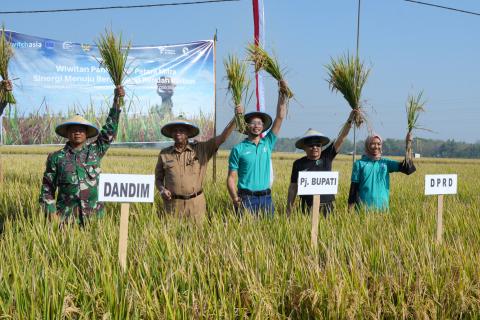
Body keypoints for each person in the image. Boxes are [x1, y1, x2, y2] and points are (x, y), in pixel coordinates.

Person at [39, 86, 125, 226]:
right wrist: (51, 213)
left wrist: (116, 101)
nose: (77, 132)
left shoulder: (95, 150)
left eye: (81, 129)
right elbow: (47, 189)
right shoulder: (56, 158)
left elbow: (109, 129)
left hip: (94, 219)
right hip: (66, 220)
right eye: (73, 130)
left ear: (86, 134)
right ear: (67, 134)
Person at [155, 105, 243, 221]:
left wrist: (236, 118)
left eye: (181, 130)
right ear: (171, 134)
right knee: (172, 237)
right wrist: (162, 190)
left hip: (196, 205)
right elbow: (158, 179)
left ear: (188, 134)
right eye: (175, 131)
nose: (178, 133)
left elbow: (222, 138)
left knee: (197, 237)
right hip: (173, 205)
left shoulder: (201, 149)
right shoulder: (164, 154)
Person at [226, 80, 288, 217]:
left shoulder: (267, 143)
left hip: (266, 198)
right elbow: (230, 178)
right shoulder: (238, 149)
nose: (256, 125)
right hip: (247, 199)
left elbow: (280, 116)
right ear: (246, 126)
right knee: (246, 235)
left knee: (268, 235)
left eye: (259, 123)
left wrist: (282, 92)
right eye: (253, 123)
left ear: (263, 126)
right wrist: (235, 199)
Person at [286, 110, 357, 217]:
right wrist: (288, 208)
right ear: (304, 148)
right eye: (311, 145)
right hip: (306, 208)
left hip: (327, 207)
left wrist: (350, 120)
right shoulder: (299, 164)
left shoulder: (327, 156)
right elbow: (293, 187)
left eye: (318, 145)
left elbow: (341, 138)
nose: (315, 147)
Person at [348, 133, 416, 211]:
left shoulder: (385, 162)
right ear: (367, 145)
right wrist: (350, 209)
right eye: (372, 144)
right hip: (363, 210)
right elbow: (354, 188)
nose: (376, 146)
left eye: (378, 144)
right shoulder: (359, 164)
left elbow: (407, 169)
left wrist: (408, 144)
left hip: (382, 209)